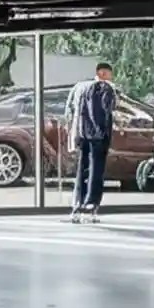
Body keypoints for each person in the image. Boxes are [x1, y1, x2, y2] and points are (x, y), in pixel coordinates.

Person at [64, 63, 117, 224]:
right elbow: (105, 111)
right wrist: (103, 132)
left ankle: (77, 205)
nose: (111, 76)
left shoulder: (80, 87)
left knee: (83, 170)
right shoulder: (105, 88)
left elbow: (69, 110)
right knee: (96, 171)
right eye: (109, 73)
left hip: (81, 134)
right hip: (97, 136)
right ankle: (91, 205)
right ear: (102, 73)